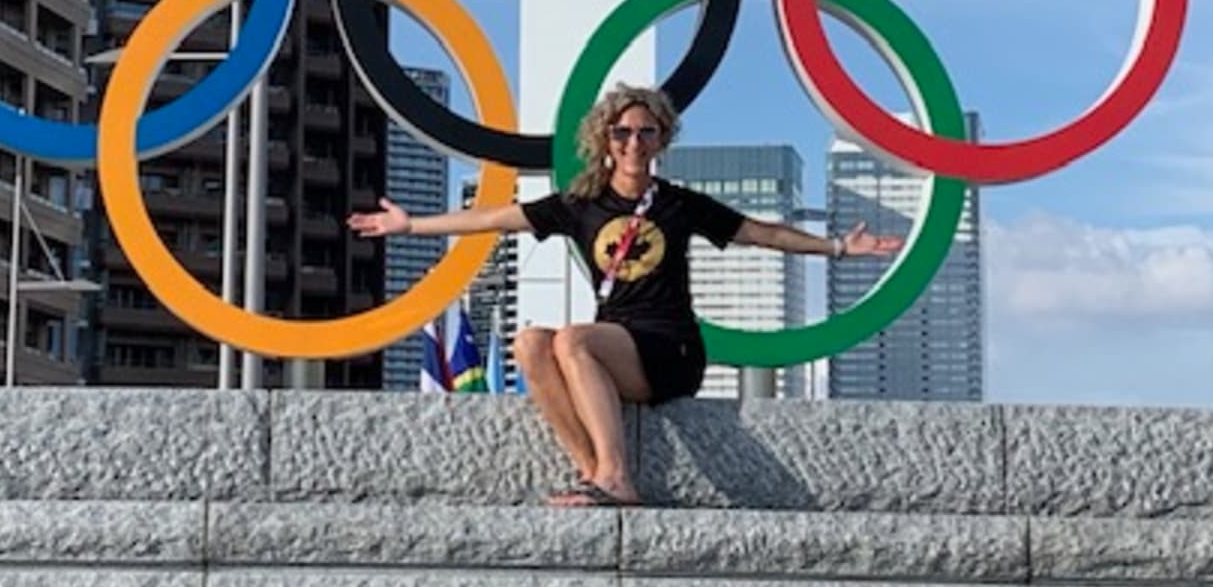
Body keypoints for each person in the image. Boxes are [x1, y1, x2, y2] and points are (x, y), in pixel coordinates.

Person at [347, 82, 903, 508]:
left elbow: (762, 233)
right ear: (605, 142)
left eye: (646, 132)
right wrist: (410, 226)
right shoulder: (581, 203)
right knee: (531, 344)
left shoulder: (679, 204)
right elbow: (494, 217)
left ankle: (615, 474)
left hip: (671, 350)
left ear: (661, 140)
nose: (634, 143)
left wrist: (837, 248)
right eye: (622, 133)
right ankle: (595, 474)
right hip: (612, 346)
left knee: (571, 340)